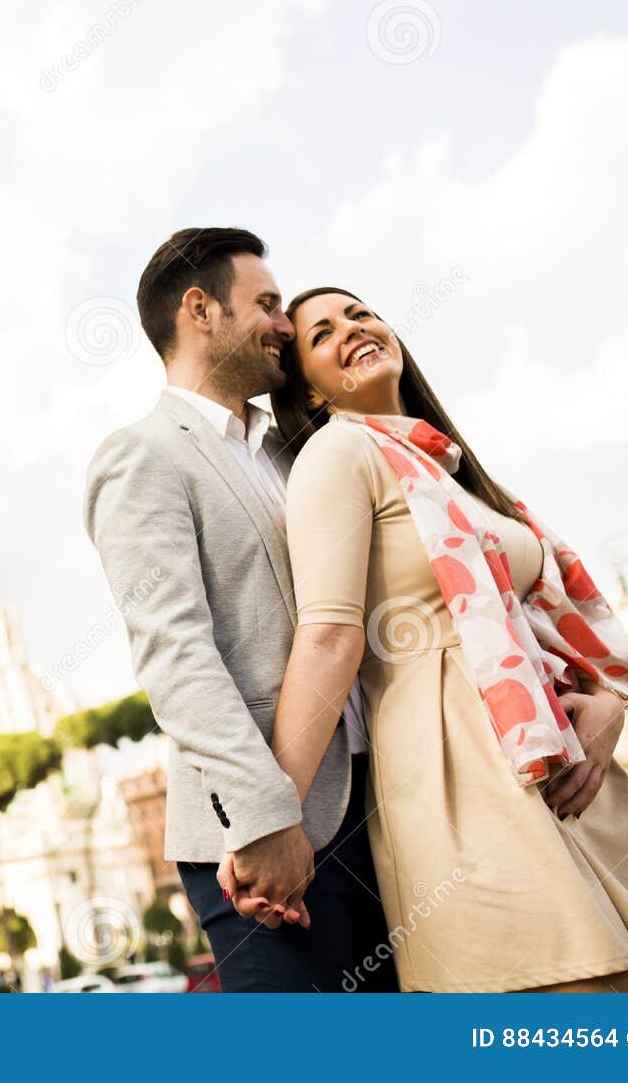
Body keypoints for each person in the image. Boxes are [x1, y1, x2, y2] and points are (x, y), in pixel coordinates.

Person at [265, 285, 628, 992]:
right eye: (322, 333)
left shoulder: (453, 472)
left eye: (360, 312)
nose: (352, 329)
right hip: (461, 781)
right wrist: (272, 812)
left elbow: (544, 618)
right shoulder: (339, 453)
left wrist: (607, 704)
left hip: (563, 774)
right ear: (309, 393)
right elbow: (330, 636)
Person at [83, 229, 395, 991]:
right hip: (260, 834)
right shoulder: (143, 456)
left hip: (381, 803)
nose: (285, 324)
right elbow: (175, 653)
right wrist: (265, 815)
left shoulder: (300, 450)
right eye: (266, 304)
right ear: (201, 310)